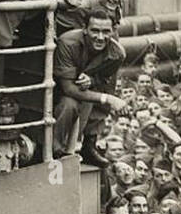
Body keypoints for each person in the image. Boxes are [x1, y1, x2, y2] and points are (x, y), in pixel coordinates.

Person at [53, 10, 128, 157]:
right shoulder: (68, 42)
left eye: (106, 31)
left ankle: (88, 145)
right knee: (69, 104)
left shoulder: (116, 54)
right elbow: (68, 88)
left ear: (113, 31)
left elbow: (104, 81)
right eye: (95, 31)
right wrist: (108, 99)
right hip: (59, 89)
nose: (100, 37)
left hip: (87, 95)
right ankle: (54, 150)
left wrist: (92, 80)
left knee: (93, 107)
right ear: (85, 29)